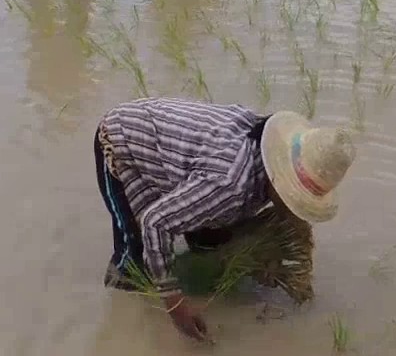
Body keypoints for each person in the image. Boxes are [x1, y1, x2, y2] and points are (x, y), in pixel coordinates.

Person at [95, 97, 357, 342]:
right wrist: (174, 304)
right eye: (295, 198)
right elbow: (155, 222)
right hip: (124, 140)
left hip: (178, 154)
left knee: (213, 235)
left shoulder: (266, 152)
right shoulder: (230, 183)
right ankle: (122, 317)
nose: (293, 210)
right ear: (280, 177)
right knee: (133, 256)